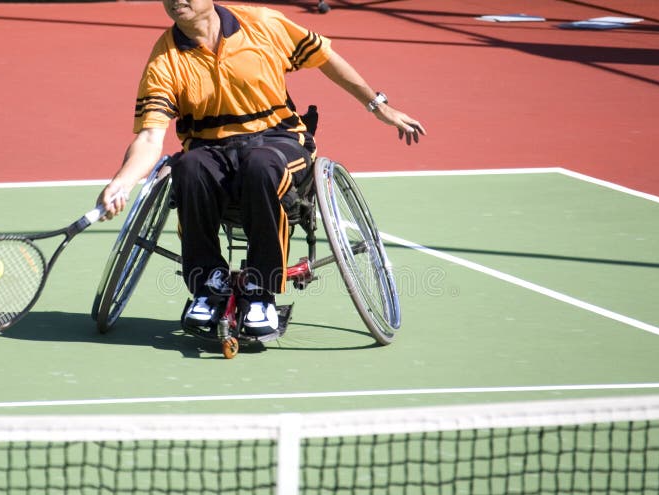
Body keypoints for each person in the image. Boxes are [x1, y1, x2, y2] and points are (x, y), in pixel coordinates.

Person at [98, 0, 425, 336]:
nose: (176, 0)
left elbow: (325, 58)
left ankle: (260, 287)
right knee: (187, 167)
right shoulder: (164, 58)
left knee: (260, 165)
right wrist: (121, 183)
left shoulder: (263, 24)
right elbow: (151, 138)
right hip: (209, 150)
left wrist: (377, 106)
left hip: (277, 140)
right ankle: (209, 285)